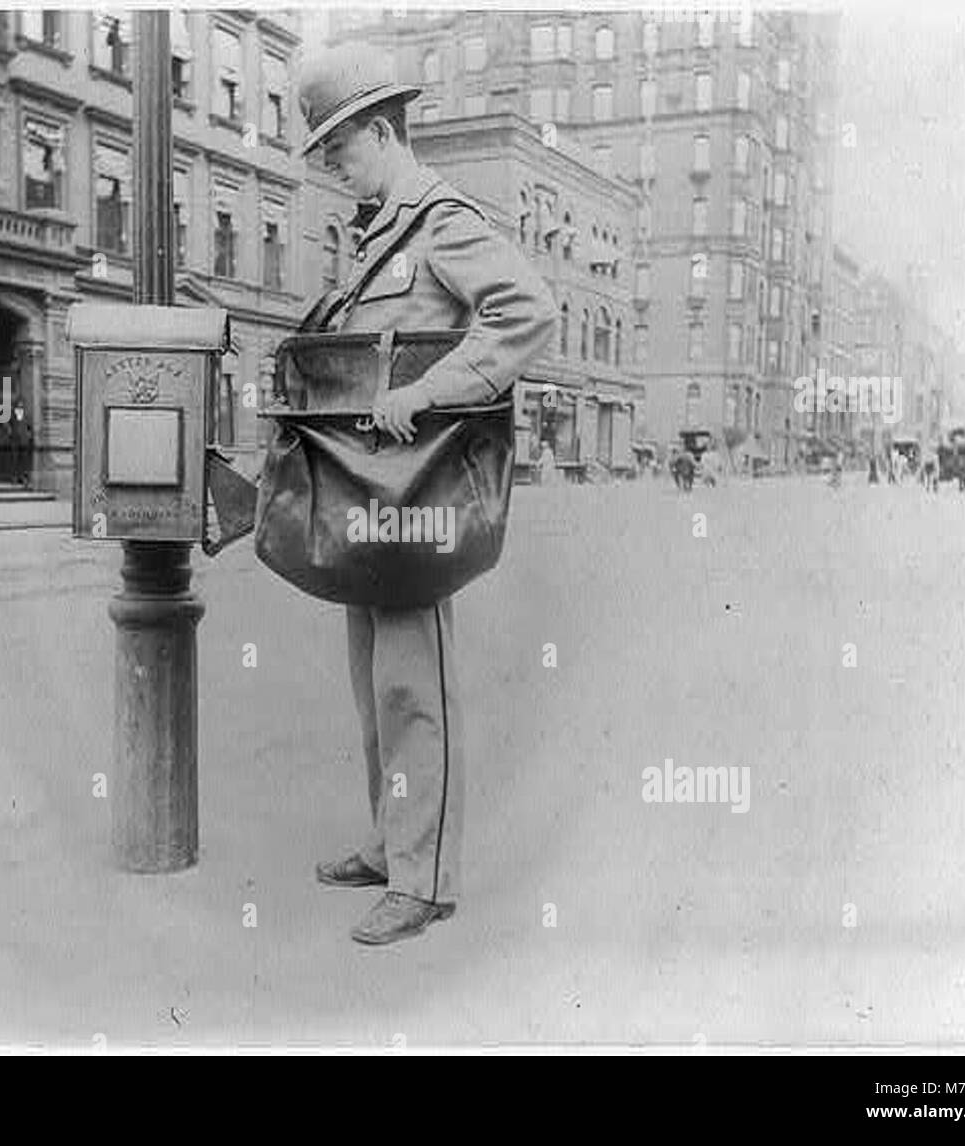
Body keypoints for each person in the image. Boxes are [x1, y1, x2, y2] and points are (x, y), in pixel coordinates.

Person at [296, 45, 558, 945]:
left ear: (380, 131)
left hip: (418, 491)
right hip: (370, 493)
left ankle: (424, 878)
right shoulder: (380, 237)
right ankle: (389, 841)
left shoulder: (443, 221)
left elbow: (528, 310)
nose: (334, 171)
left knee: (413, 686)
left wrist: (429, 392)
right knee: (374, 684)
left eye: (341, 151)